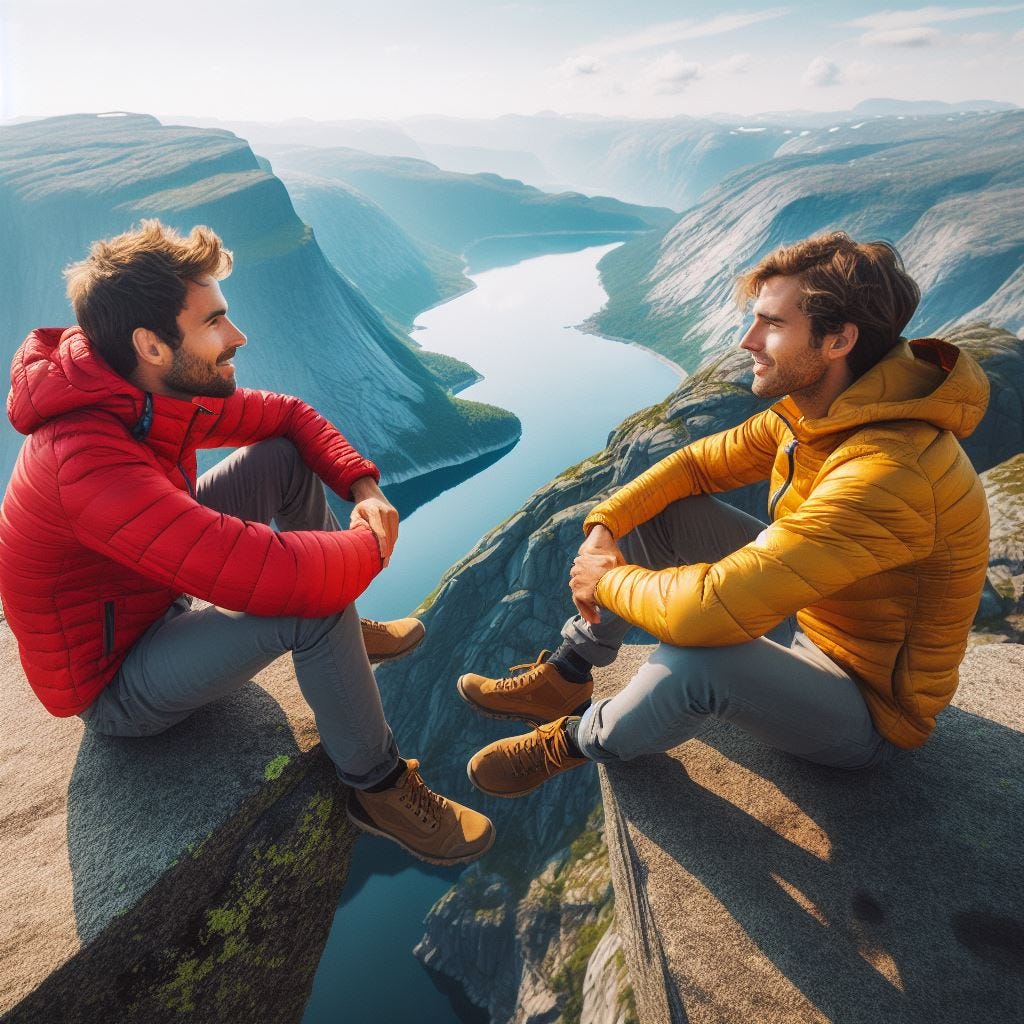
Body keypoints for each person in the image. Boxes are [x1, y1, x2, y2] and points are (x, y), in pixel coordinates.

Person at [0, 220, 493, 865]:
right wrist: (367, 550)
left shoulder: (140, 392)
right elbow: (281, 577)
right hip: (117, 682)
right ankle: (375, 786)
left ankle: (343, 634)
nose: (238, 337)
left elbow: (288, 416)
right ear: (151, 344)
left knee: (284, 459)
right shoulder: (88, 460)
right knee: (309, 600)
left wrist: (364, 488)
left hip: (146, 586)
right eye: (214, 322)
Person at [460, 231, 990, 797]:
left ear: (838, 340)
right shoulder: (819, 415)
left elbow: (704, 615)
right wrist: (605, 528)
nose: (747, 340)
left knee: (697, 660)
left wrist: (608, 581)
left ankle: (578, 740)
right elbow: (694, 467)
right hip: (811, 617)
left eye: (772, 324)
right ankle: (567, 674)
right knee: (658, 516)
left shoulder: (890, 471)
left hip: (864, 704)